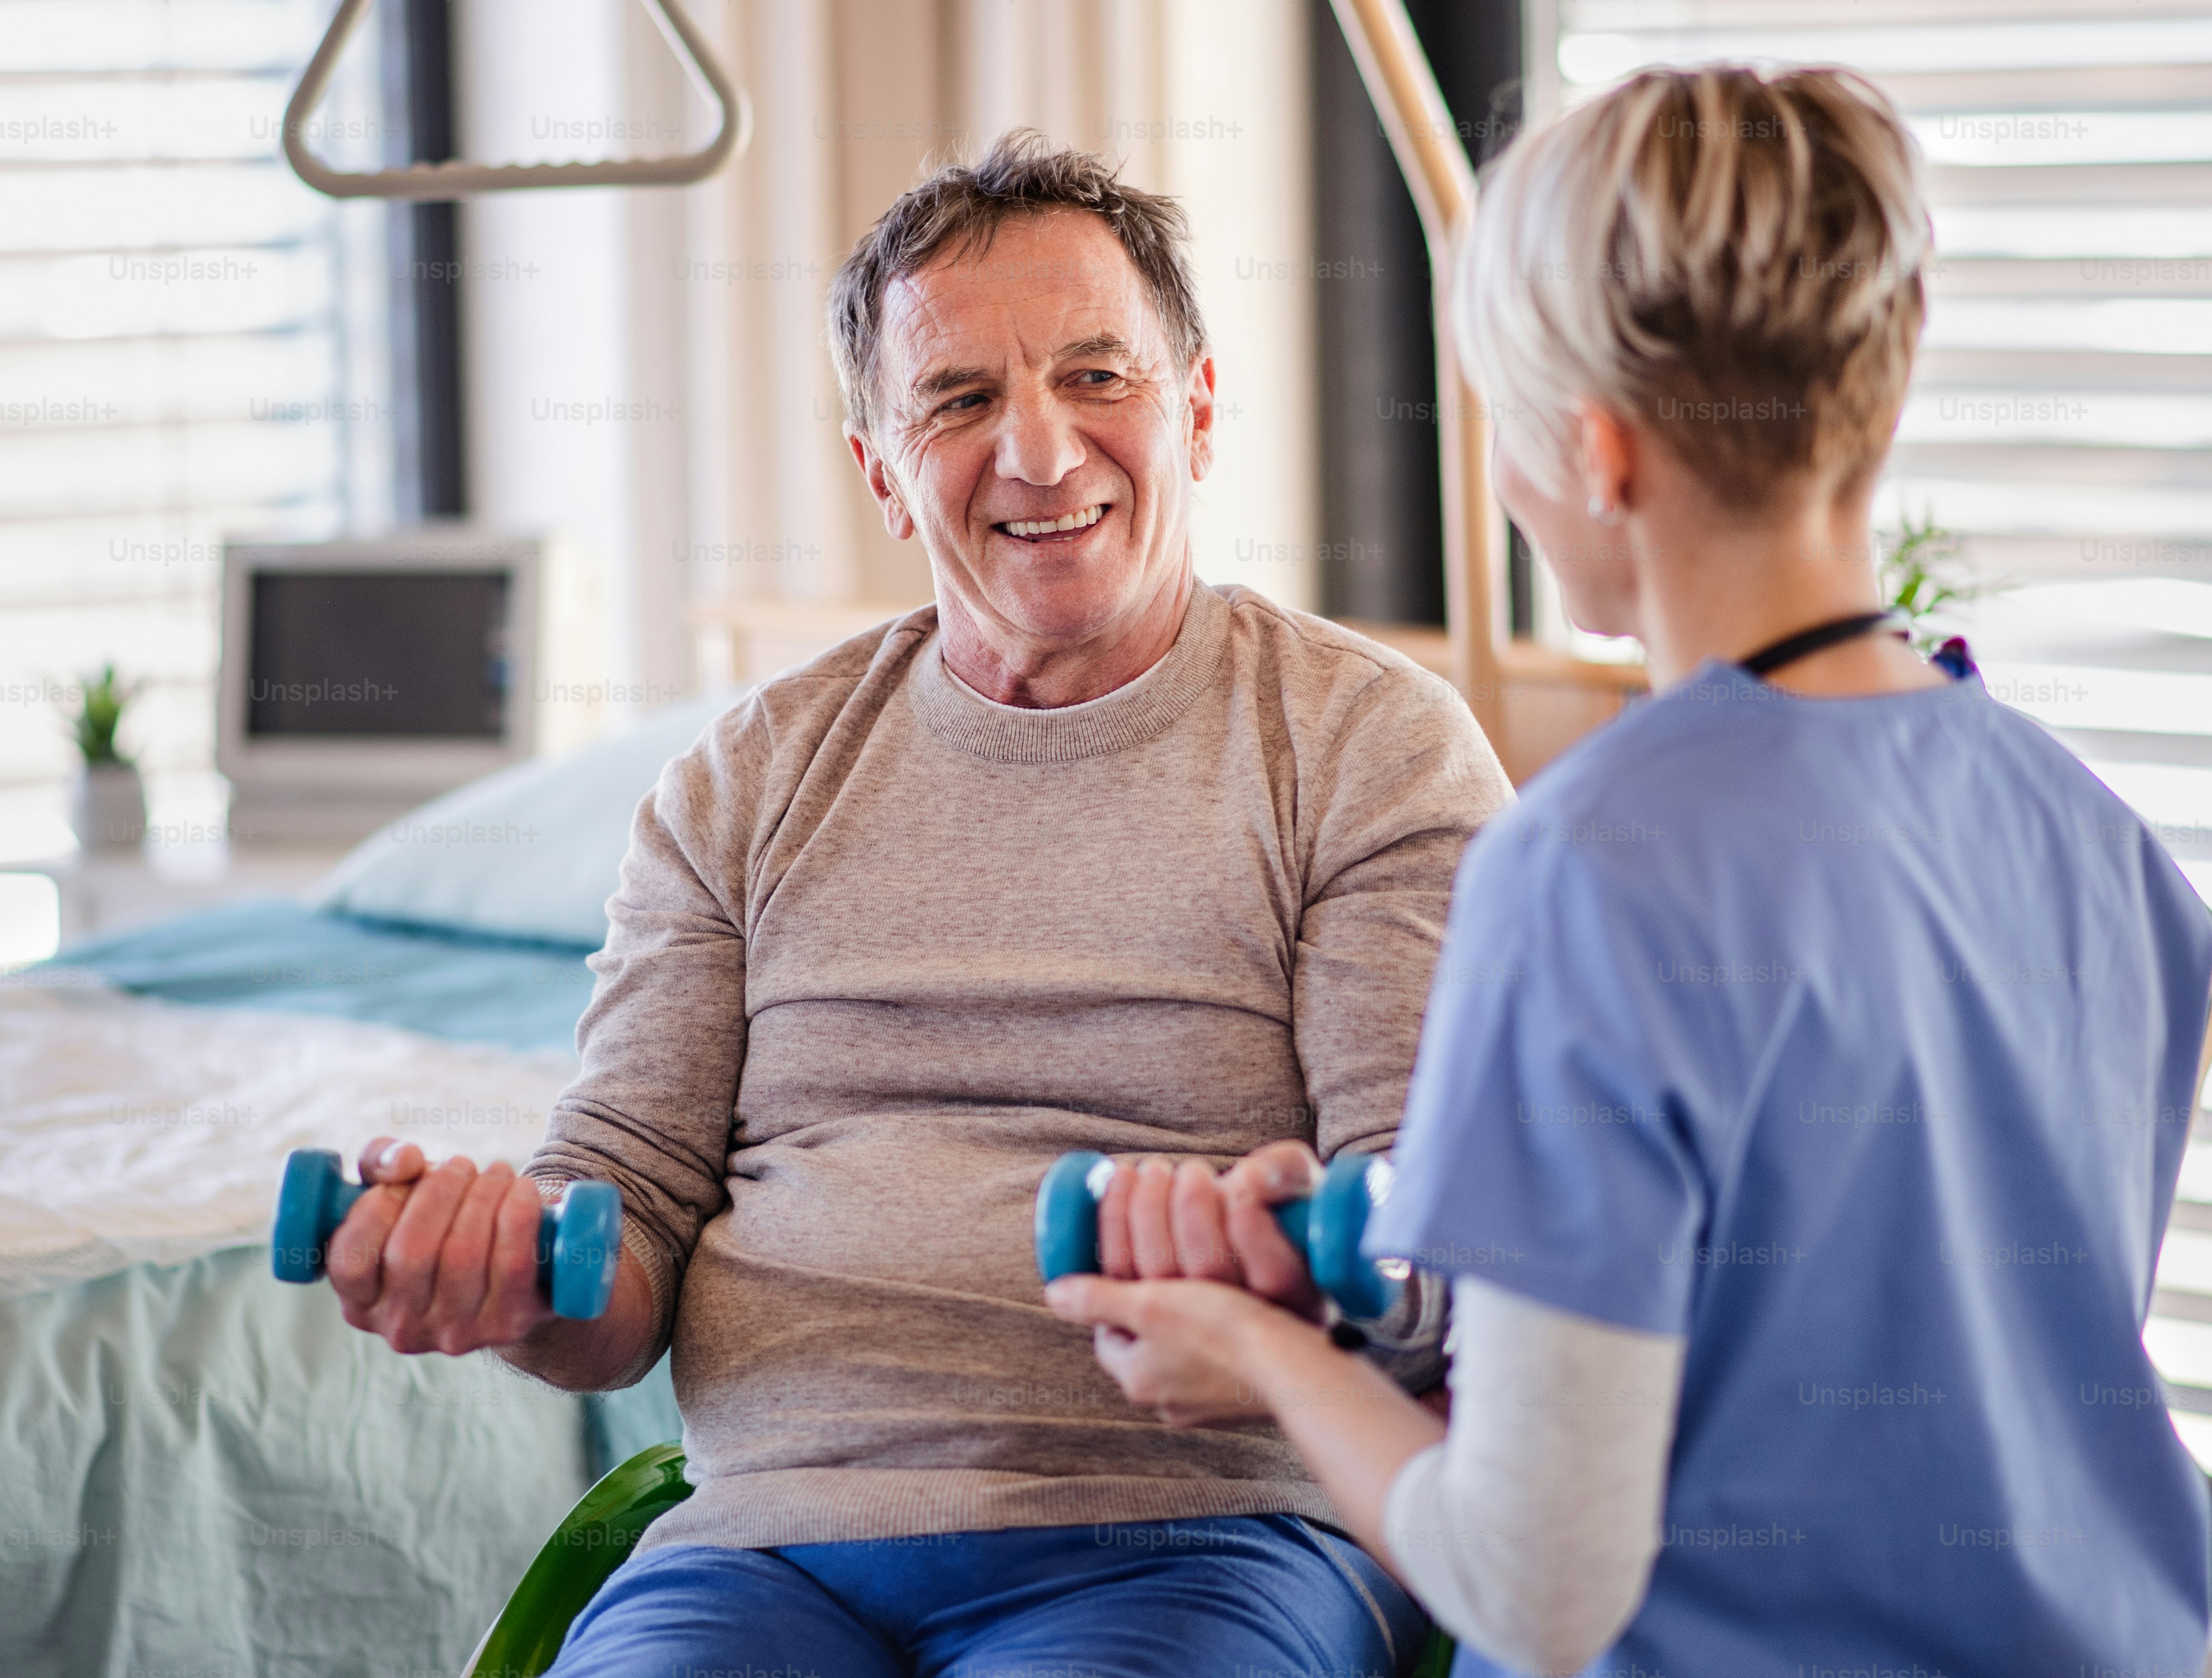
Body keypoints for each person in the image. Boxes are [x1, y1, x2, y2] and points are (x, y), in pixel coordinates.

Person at [1047, 64, 2212, 1678]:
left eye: (1502, 428)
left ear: (1596, 454)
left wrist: (1256, 1354)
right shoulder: (2096, 840)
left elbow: (1535, 1583)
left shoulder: (1590, 866)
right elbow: (1927, 1362)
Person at [324, 132, 1510, 1675]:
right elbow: (617, 1244)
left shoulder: (1368, 744)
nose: (1038, 450)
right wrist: (501, 1268)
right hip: (764, 1547)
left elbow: (1446, 1250)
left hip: (1206, 1529)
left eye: (1100, 375)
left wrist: (1304, 1276)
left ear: (1200, 411)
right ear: (882, 466)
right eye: (958, 400)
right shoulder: (744, 778)